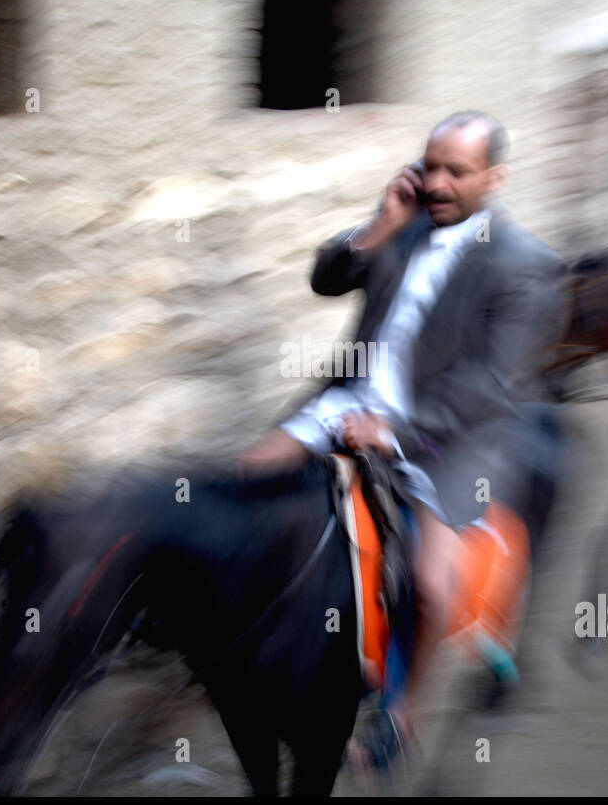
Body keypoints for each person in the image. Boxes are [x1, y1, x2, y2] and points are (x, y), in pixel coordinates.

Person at [238, 111, 564, 762]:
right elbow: (326, 279)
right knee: (245, 479)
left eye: (456, 171)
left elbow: (492, 383)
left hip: (447, 441)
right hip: (347, 401)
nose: (437, 182)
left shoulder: (526, 265)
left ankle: (399, 711)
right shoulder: (403, 222)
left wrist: (396, 429)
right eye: (430, 164)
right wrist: (378, 227)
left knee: (430, 582)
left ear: (494, 178)